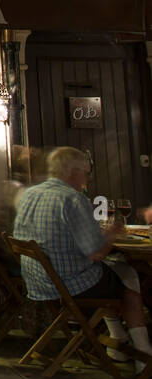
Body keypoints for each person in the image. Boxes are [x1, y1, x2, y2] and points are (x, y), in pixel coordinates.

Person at [13, 146, 152, 363]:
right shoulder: (73, 199)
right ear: (74, 171)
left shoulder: (30, 194)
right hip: (70, 286)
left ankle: (118, 341)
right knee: (129, 278)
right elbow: (96, 252)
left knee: (117, 270)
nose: (86, 179)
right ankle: (144, 356)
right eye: (86, 173)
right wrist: (112, 234)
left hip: (37, 282)